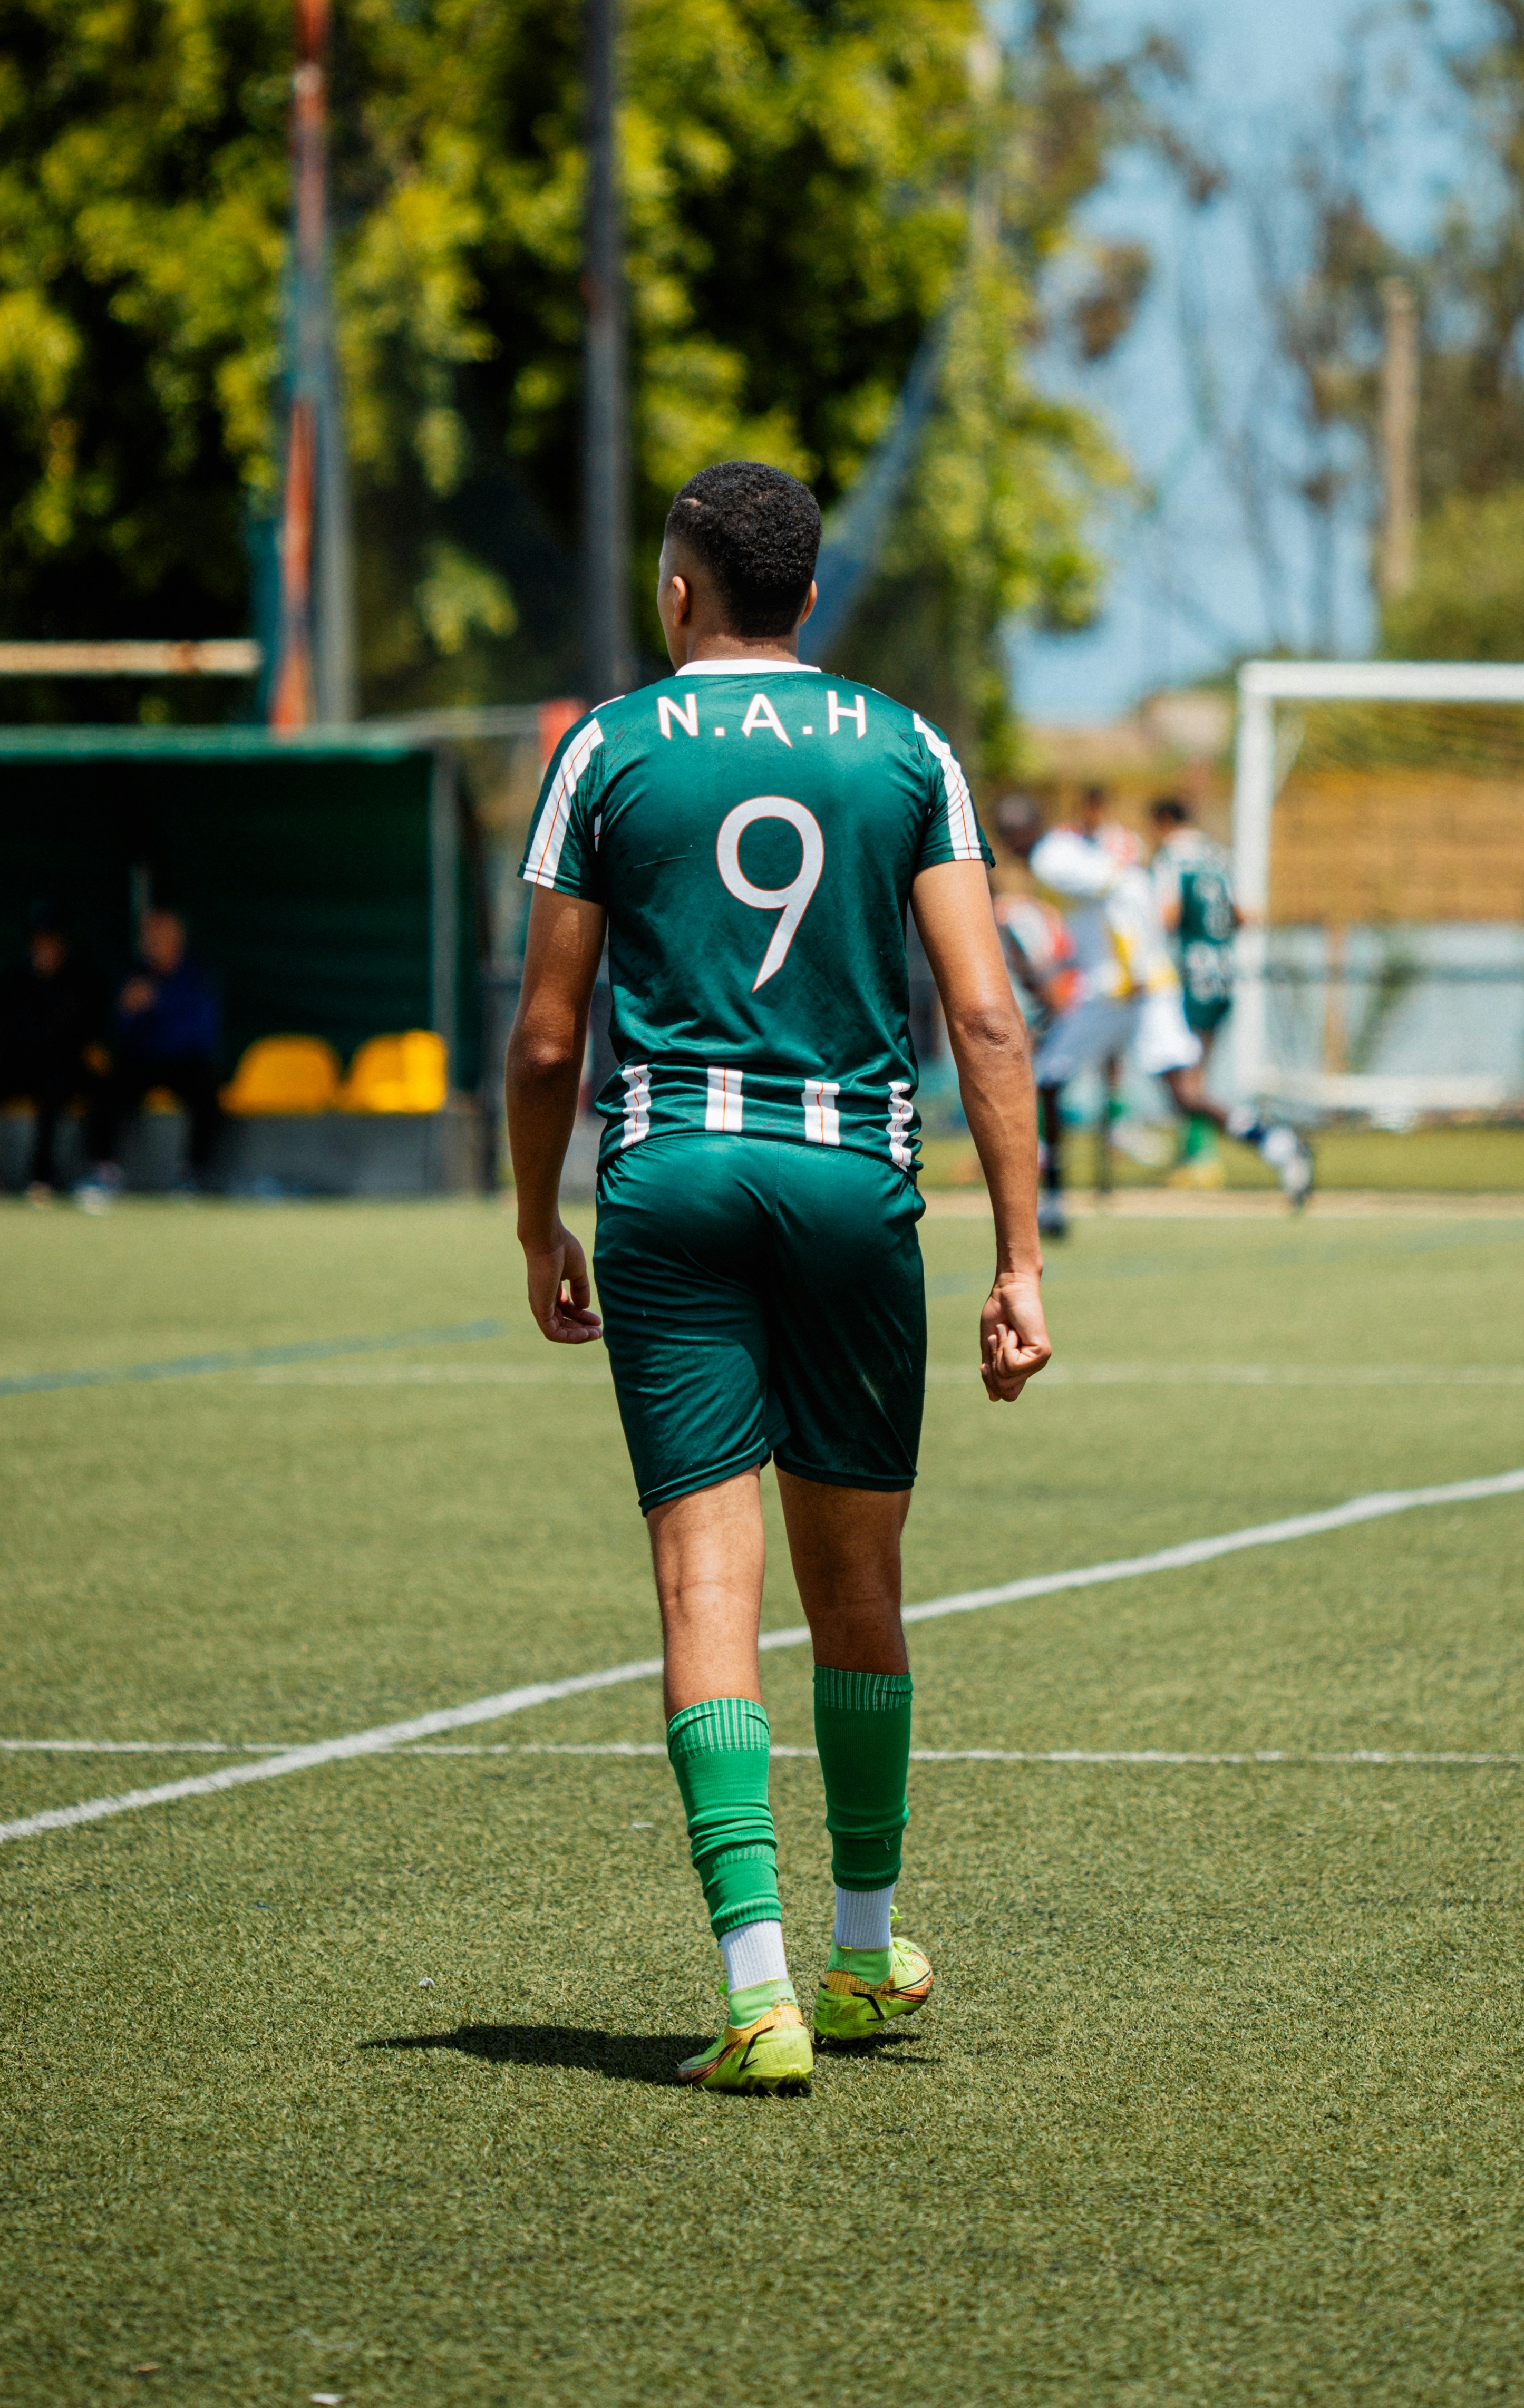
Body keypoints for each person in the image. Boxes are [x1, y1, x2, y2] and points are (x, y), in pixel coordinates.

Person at [507, 459, 1051, 2095]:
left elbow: (545, 1034)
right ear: (805, 601)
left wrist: (539, 1219)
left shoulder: (602, 747)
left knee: (702, 1589)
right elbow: (986, 1021)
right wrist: (1021, 1255)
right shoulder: (903, 747)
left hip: (668, 1182)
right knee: (857, 1588)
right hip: (846, 1185)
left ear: (679, 593)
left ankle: (756, 1999)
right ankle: (862, 1947)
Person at [1027, 802, 1315, 1208]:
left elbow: (1155, 908)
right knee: (1185, 1091)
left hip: (1135, 986)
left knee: (1051, 1079)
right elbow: (1247, 915)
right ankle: (1276, 1144)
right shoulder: (1215, 855)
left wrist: (1136, 952)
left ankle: (1051, 1198)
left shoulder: (1128, 860)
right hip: (1201, 975)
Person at [0, 902, 101, 1205]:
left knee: (58, 1084)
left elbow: (79, 1034)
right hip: (17, 1069)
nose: (45, 947)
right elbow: (4, 1035)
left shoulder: (82, 980)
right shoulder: (12, 982)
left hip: (64, 1070)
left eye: (51, 940)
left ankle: (43, 1177)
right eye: (39, 940)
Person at [76, 907, 222, 1207]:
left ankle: (193, 1175)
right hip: (141, 1062)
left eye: (162, 937)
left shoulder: (196, 979)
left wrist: (159, 1005)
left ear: (177, 940)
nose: (155, 944)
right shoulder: (135, 978)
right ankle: (104, 1171)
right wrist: (130, 1012)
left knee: (208, 1094)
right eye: (150, 938)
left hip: (184, 1063)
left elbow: (201, 1033)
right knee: (105, 1090)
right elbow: (122, 1033)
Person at [992, 793, 1076, 1237]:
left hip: (1030, 1024)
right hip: (1035, 1021)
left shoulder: (1012, 913)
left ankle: (1046, 1204)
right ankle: (1051, 1201)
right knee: (1041, 1109)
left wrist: (1050, 1014)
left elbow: (1036, 971)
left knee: (1028, 1113)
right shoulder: (1030, 907)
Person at [1147, 795, 1240, 1188]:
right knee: (1200, 1065)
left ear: (1165, 821)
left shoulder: (1171, 858)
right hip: (1222, 971)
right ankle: (1193, 1151)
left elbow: (1166, 916)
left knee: (1183, 1071)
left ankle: (1202, 1156)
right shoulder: (1218, 856)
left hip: (1188, 972)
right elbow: (1240, 915)